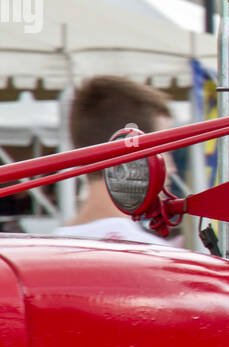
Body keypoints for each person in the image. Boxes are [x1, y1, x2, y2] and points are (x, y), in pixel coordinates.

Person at [53, 76, 178, 244]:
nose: (171, 168)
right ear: (134, 158)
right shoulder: (155, 254)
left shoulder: (41, 250)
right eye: (163, 151)